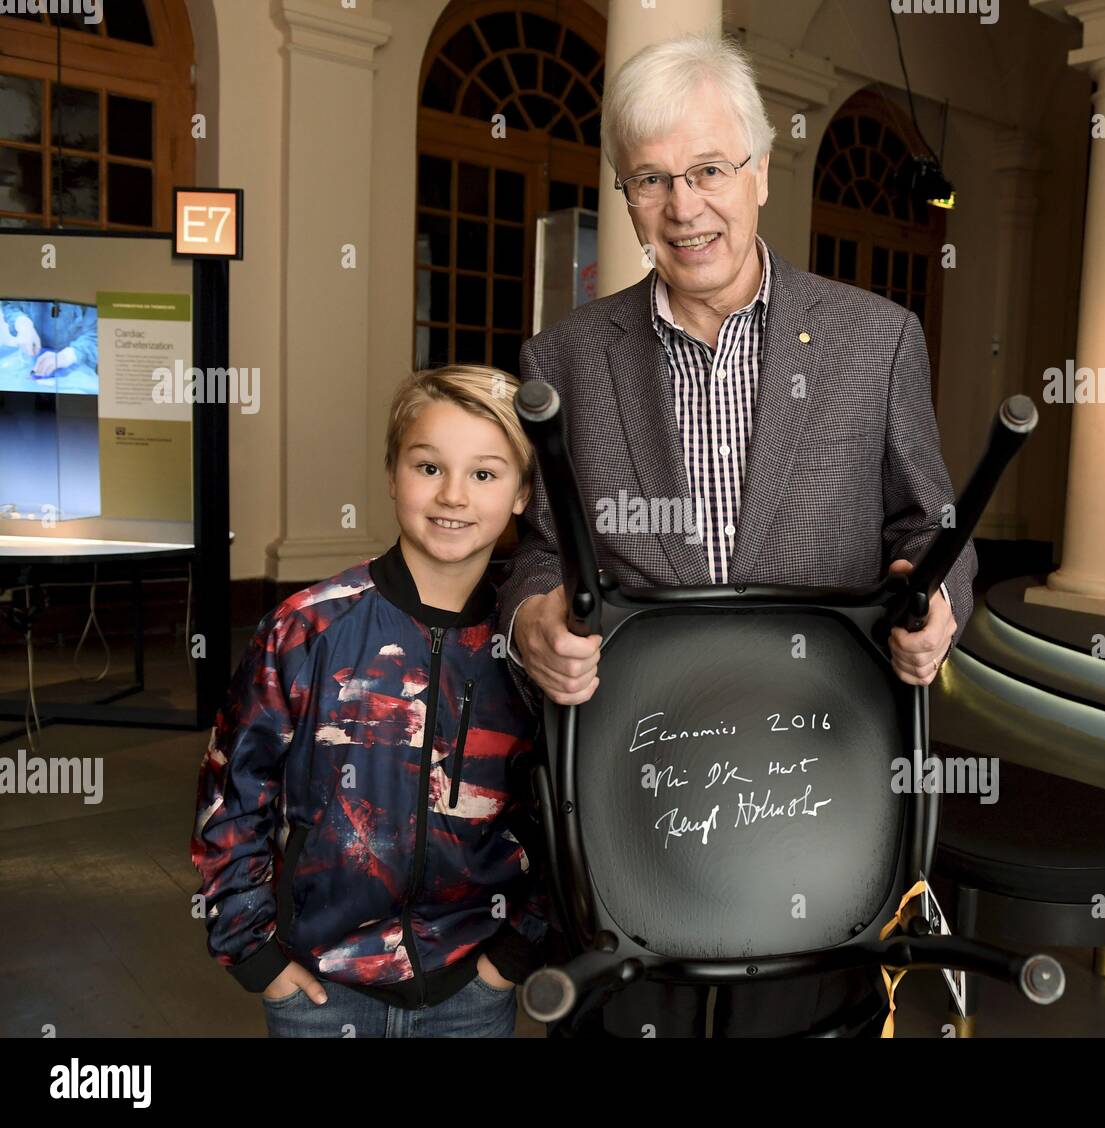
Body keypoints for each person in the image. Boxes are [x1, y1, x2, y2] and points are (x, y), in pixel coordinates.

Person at [498, 33, 977, 1038]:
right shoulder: (567, 358)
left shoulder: (874, 338)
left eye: (710, 169)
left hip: (819, 784)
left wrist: (936, 599)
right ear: (626, 196)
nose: (684, 206)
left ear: (759, 171)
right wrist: (530, 616)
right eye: (651, 178)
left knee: (807, 1021)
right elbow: (540, 551)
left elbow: (930, 524)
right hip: (632, 796)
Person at [191, 365, 549, 1038]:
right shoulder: (307, 628)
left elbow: (563, 808)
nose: (453, 495)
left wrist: (519, 949)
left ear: (523, 492)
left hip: (474, 984)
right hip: (321, 988)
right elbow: (232, 793)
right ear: (392, 474)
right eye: (428, 466)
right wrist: (256, 954)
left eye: (485, 474)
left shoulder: (532, 643)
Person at [0, 300, 97, 378]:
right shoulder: (20, 279)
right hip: (32, 355)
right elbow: (9, 303)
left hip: (76, 358)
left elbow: (98, 332)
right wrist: (21, 321)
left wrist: (69, 355)